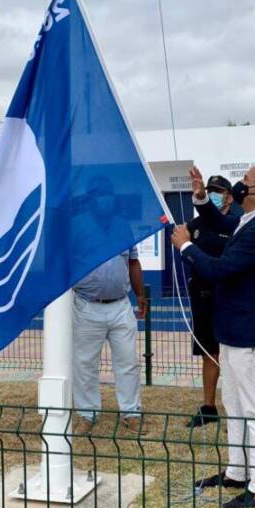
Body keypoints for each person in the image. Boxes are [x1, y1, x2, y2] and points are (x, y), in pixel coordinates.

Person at [171, 164, 255, 508]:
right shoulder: (250, 221)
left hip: (251, 333)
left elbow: (219, 269)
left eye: (246, 181)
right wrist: (202, 199)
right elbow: (223, 226)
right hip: (235, 331)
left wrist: (185, 246)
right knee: (235, 404)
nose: (239, 186)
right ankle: (238, 471)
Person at [71, 183, 147, 435]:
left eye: (109, 196)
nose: (106, 200)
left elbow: (133, 262)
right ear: (91, 200)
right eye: (101, 196)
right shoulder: (77, 227)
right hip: (87, 306)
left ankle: (131, 413)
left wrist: (140, 295)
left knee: (128, 362)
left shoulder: (122, 226)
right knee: (85, 364)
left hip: (120, 306)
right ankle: (87, 414)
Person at [183, 175, 242, 428]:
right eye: (211, 191)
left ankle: (238, 408)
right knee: (209, 352)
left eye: (219, 191)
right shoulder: (195, 225)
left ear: (229, 196)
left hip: (230, 297)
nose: (215, 195)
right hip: (202, 297)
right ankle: (209, 407)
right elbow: (188, 257)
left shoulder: (238, 223)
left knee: (234, 354)